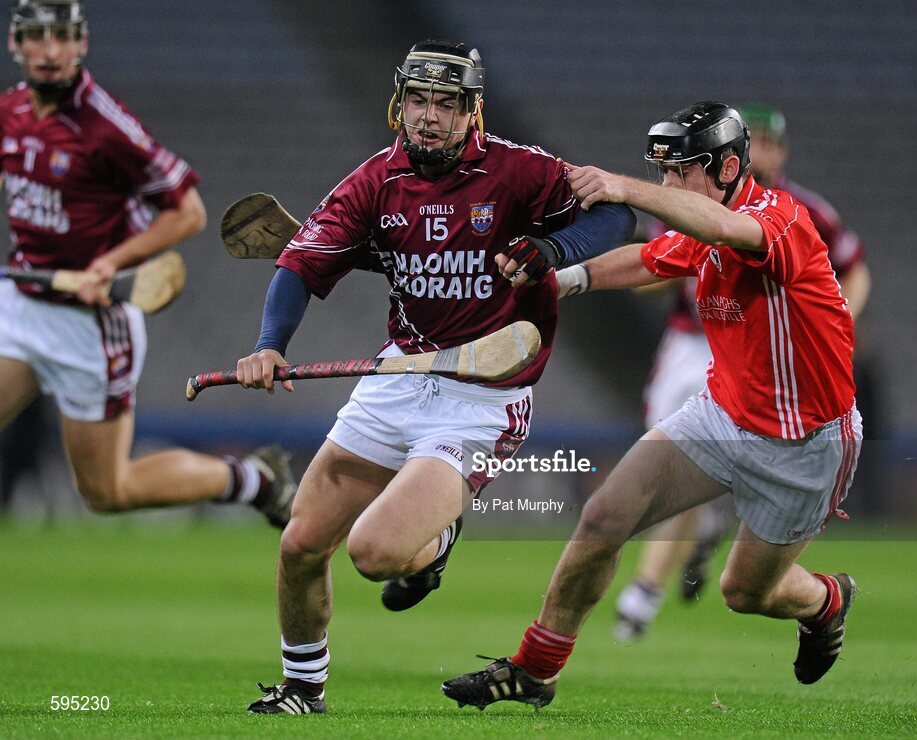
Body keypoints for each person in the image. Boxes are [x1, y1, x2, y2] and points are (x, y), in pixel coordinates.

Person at [237, 40, 635, 715]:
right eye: (418, 100)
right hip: (402, 374)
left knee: (372, 552)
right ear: (400, 102)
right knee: (301, 543)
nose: (428, 117)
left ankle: (437, 539)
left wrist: (551, 249)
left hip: (484, 396)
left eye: (445, 104)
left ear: (471, 111)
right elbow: (300, 263)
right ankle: (303, 689)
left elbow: (617, 213)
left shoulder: (519, 171)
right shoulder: (376, 180)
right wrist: (269, 345)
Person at [442, 101, 862, 710]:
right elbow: (647, 258)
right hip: (722, 416)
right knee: (603, 518)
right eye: (660, 173)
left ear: (726, 169)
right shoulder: (702, 224)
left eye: (679, 172)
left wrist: (623, 188)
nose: (667, 187)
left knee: (745, 592)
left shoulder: (778, 219)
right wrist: (556, 279)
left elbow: (720, 231)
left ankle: (827, 601)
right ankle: (535, 670)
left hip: (808, 443)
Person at [0, 1, 295, 526]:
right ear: (14, 45)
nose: (50, 51)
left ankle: (252, 479)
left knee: (107, 490)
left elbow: (188, 212)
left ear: (81, 44)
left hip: (91, 325)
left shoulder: (105, 126)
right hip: (20, 305)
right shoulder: (11, 112)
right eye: (37, 37)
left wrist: (107, 263)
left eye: (62, 36)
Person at [612, 103, 871, 641]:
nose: (767, 151)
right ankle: (650, 585)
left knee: (745, 588)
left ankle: (707, 534)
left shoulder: (801, 210)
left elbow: (851, 266)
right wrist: (572, 276)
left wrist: (832, 314)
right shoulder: (686, 195)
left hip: (775, 365)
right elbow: (655, 268)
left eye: (772, 142)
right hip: (696, 341)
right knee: (658, 467)